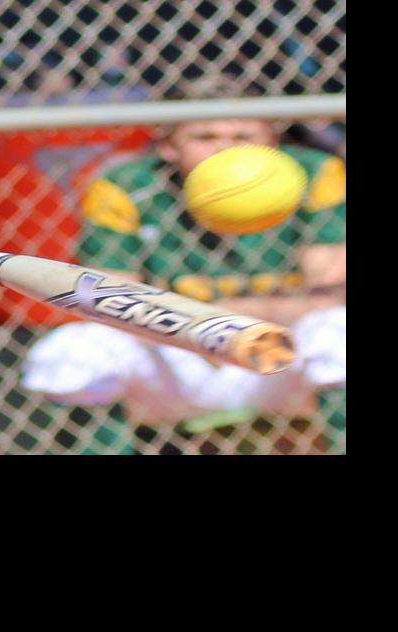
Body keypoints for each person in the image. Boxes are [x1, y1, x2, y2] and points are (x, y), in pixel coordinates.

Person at [21, 108, 348, 453]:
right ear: (168, 147)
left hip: (278, 352)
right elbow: (110, 303)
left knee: (337, 332)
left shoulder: (312, 173)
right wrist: (221, 318)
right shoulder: (128, 184)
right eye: (204, 137)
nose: (225, 150)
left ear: (272, 141)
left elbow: (330, 295)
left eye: (243, 137)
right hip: (177, 360)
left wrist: (205, 312)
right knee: (73, 352)